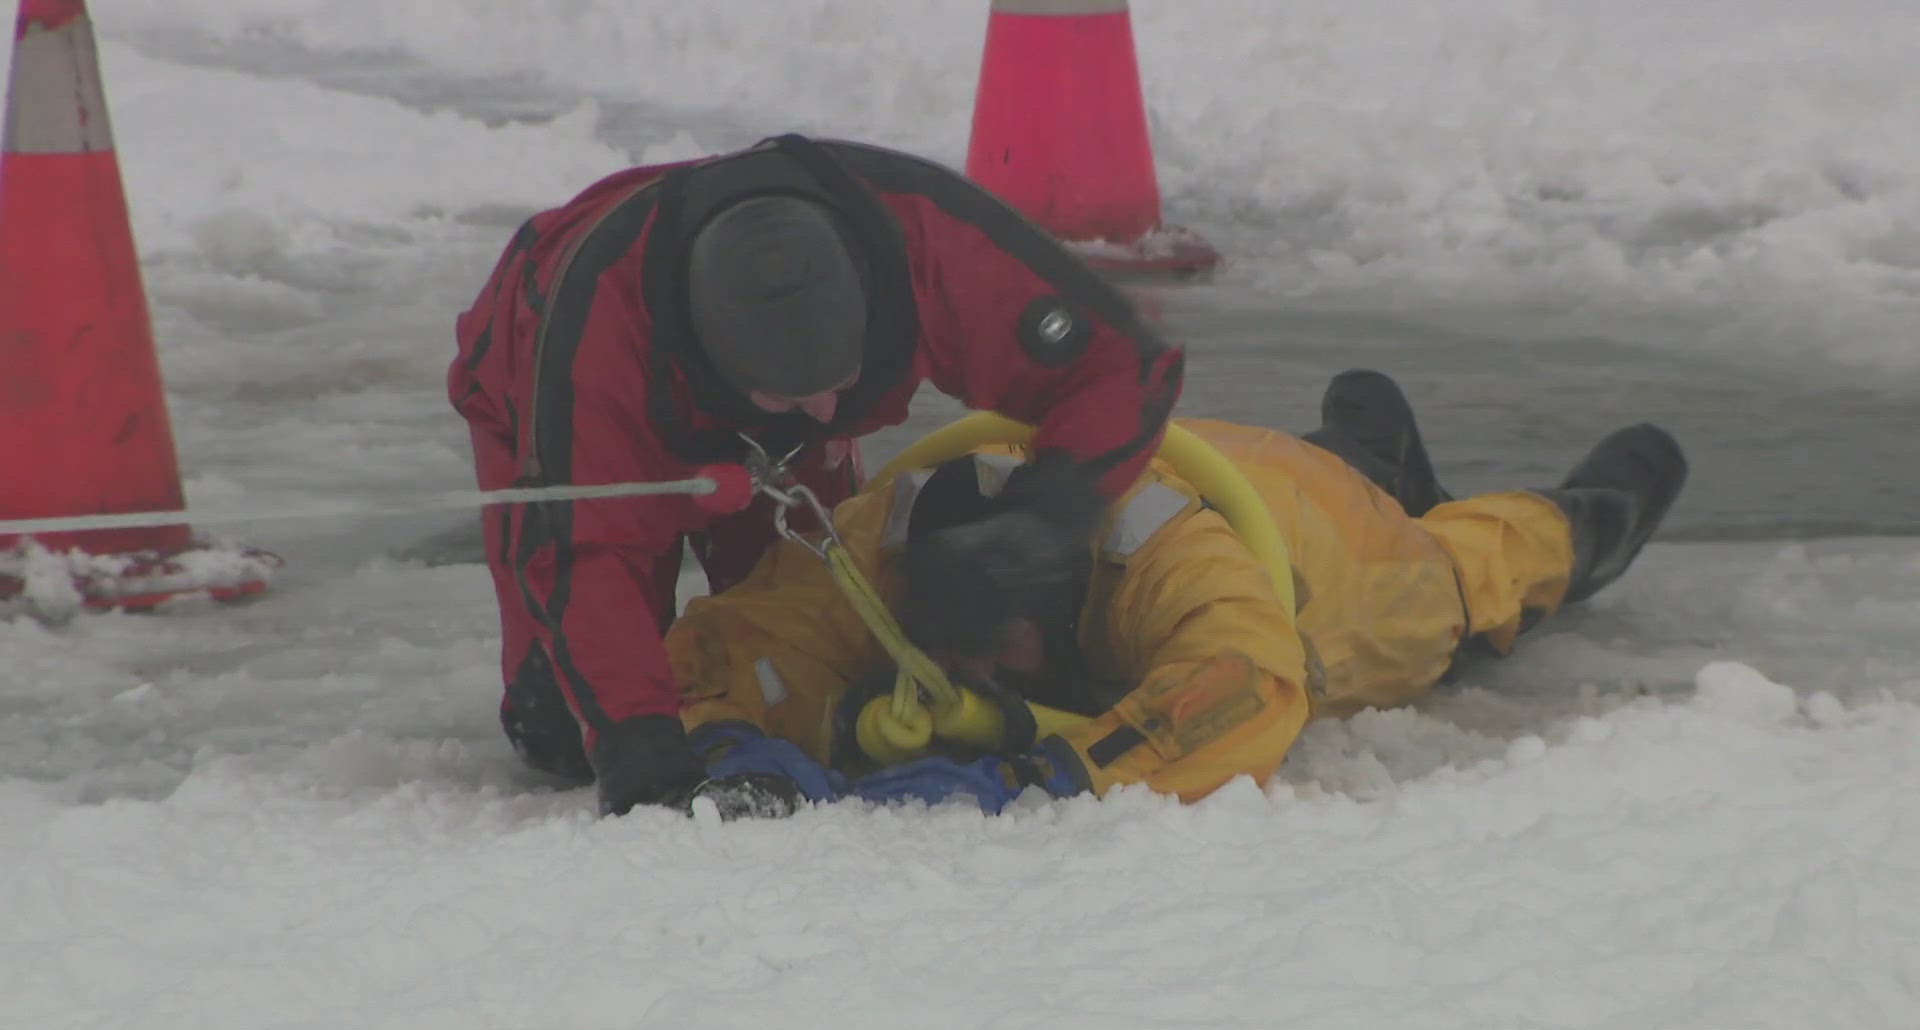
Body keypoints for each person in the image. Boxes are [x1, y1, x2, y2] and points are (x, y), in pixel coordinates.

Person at [447, 134, 1185, 815]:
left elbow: (1118, 364)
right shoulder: (595, 343)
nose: (830, 404)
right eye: (795, 394)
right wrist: (640, 753)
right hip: (540, 372)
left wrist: (1039, 519)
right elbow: (585, 555)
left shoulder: (928, 242)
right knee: (565, 728)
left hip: (784, 451)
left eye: (844, 380)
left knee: (798, 669)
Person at [659, 370, 1689, 818]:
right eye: (943, 649)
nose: (961, 679)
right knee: (1328, 460)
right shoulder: (894, 535)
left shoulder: (1173, 574)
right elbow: (753, 634)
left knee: (1482, 567)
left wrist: (1051, 777)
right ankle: (1368, 443)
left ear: (1060, 606)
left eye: (990, 654)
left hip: (1332, 548)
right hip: (1232, 460)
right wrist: (738, 734)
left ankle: (1602, 504)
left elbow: (1237, 689)